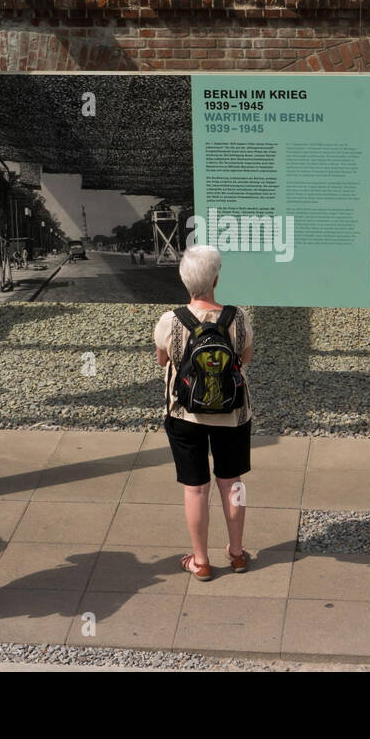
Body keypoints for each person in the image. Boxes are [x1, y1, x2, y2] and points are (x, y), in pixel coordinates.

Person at [153, 245, 253, 581]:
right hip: (233, 414)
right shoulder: (238, 317)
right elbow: (246, 357)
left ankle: (201, 561)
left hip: (184, 416)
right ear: (216, 279)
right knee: (232, 482)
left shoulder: (170, 320)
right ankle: (237, 554)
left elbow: (163, 360)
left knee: (196, 489)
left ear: (184, 281)